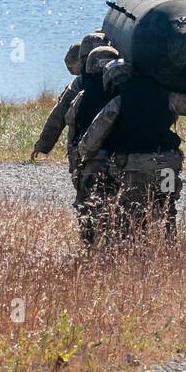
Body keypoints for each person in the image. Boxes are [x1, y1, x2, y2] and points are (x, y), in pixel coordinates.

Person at [75, 59, 186, 240]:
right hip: (167, 165)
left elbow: (95, 134)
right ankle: (167, 247)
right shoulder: (164, 95)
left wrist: (83, 152)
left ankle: (139, 253)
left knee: (134, 215)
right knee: (166, 206)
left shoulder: (118, 102)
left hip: (136, 168)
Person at [65, 44, 121, 244]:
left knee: (87, 207)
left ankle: (90, 247)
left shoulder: (84, 95)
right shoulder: (122, 94)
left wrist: (78, 156)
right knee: (116, 207)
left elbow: (71, 122)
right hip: (119, 162)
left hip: (90, 161)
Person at [31, 31, 108, 166]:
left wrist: (43, 145)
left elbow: (59, 115)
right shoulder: (122, 75)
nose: (69, 71)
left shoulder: (78, 84)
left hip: (88, 148)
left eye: (70, 66)